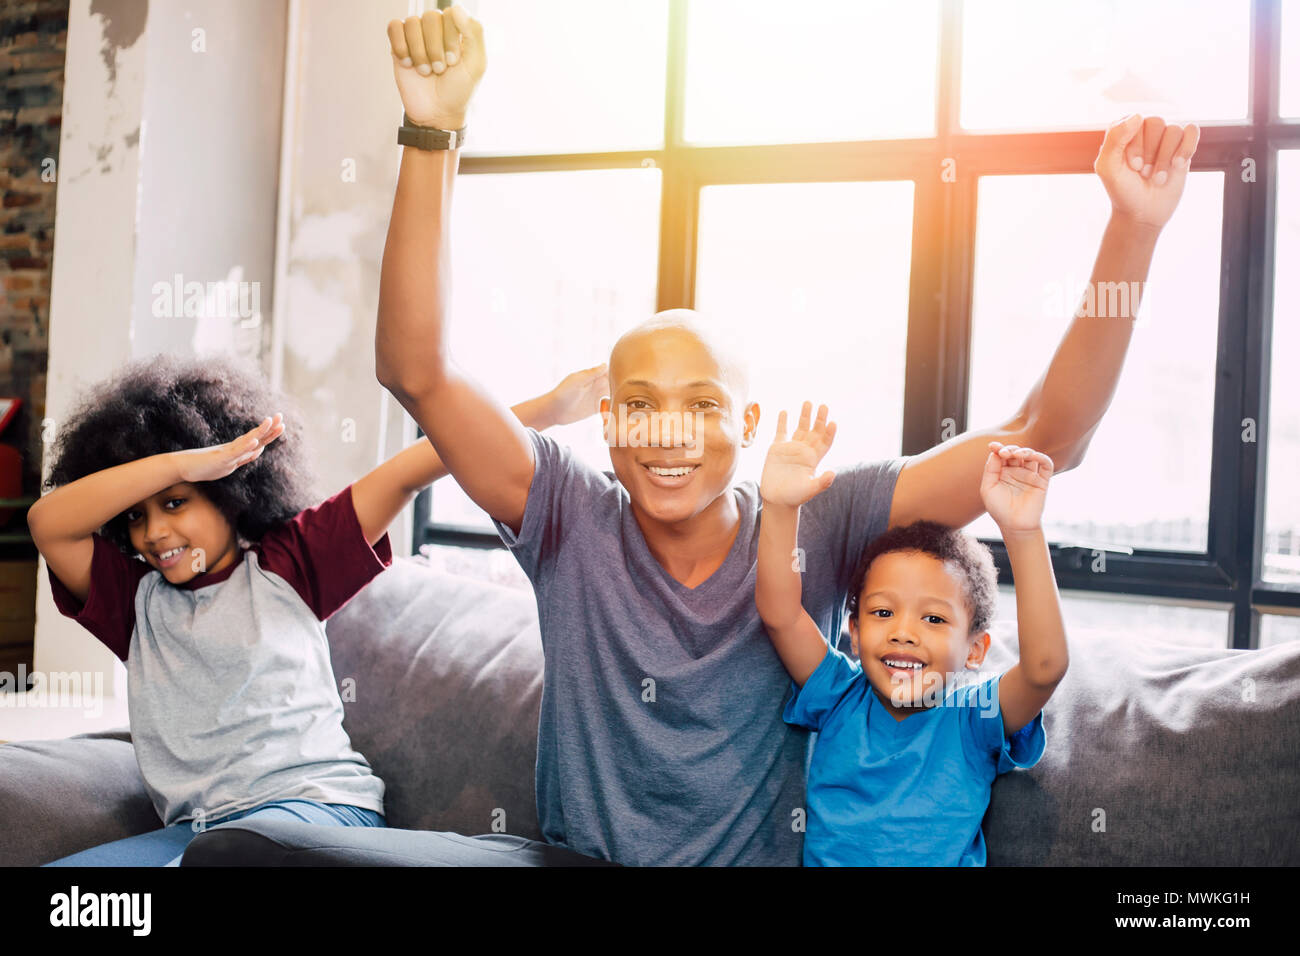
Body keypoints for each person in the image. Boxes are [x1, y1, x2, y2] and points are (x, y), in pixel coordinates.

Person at [279, 6, 1196, 866]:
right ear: (610, 422)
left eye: (702, 404)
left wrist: (1133, 228)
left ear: (747, 424)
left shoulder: (823, 516)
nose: (668, 433)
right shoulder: (565, 512)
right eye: (640, 405)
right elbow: (417, 370)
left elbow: (1046, 437)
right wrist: (432, 132)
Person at [30, 353, 605, 866]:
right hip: (196, 835)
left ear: (232, 490)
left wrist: (549, 410)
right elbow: (47, 523)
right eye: (136, 515)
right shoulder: (133, 604)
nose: (154, 532)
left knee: (223, 858)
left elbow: (415, 467)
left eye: (176, 503)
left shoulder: (291, 563)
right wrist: (179, 467)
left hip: (318, 813)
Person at [755, 401, 1065, 865]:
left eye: (934, 619)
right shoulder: (839, 695)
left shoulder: (973, 716)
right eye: (883, 613)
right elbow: (780, 614)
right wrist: (781, 508)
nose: (903, 632)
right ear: (854, 632)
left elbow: (1045, 668)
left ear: (975, 649)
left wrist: (1023, 532)